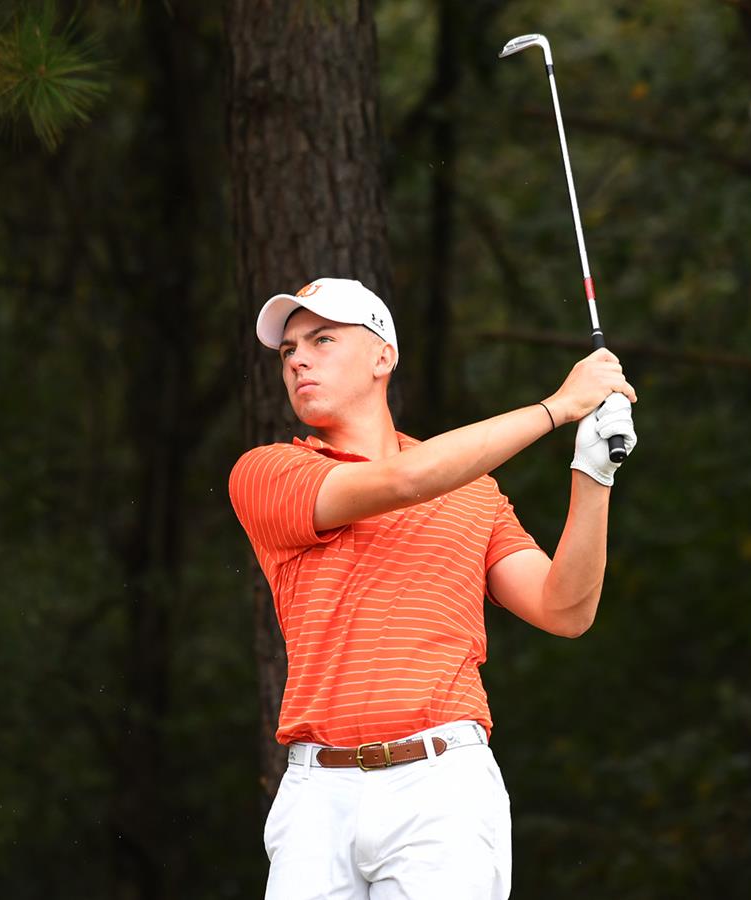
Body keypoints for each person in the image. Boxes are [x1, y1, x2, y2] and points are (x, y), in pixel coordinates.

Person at [228, 277, 636, 899]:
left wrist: (594, 472)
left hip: (441, 786)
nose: (299, 359)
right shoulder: (270, 471)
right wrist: (557, 408)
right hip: (317, 798)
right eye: (288, 351)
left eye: (323, 338)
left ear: (383, 356)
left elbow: (565, 608)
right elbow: (404, 482)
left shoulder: (475, 492)